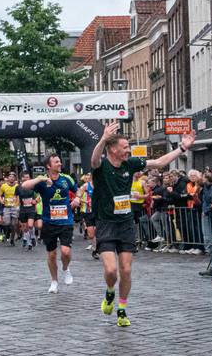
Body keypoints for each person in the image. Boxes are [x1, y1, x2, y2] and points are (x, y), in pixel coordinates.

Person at [89, 121, 194, 327]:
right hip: (106, 223)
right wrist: (102, 138)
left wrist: (182, 147)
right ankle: (110, 292)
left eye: (128, 147)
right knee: (111, 271)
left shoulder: (131, 164)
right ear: (113, 149)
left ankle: (121, 309)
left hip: (126, 223)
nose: (128, 150)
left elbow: (158, 163)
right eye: (125, 147)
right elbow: (93, 160)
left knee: (126, 270)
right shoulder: (101, 167)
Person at [20, 156, 78, 294]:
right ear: (48, 166)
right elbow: (24, 186)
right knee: (51, 254)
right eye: (56, 162)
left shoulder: (66, 179)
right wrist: (40, 179)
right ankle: (54, 281)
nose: (60, 164)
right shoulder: (42, 181)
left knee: (65, 251)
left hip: (66, 220)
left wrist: (77, 198)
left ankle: (65, 268)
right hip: (49, 222)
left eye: (59, 161)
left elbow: (78, 190)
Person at [0, 172, 20, 246]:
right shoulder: (4, 186)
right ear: (8, 178)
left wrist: (18, 204)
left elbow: (20, 195)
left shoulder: (17, 186)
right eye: (10, 176)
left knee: (13, 225)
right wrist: (1, 200)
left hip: (15, 207)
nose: (11, 178)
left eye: (13, 177)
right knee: (6, 223)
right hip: (6, 207)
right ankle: (7, 233)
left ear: (15, 178)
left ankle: (12, 239)